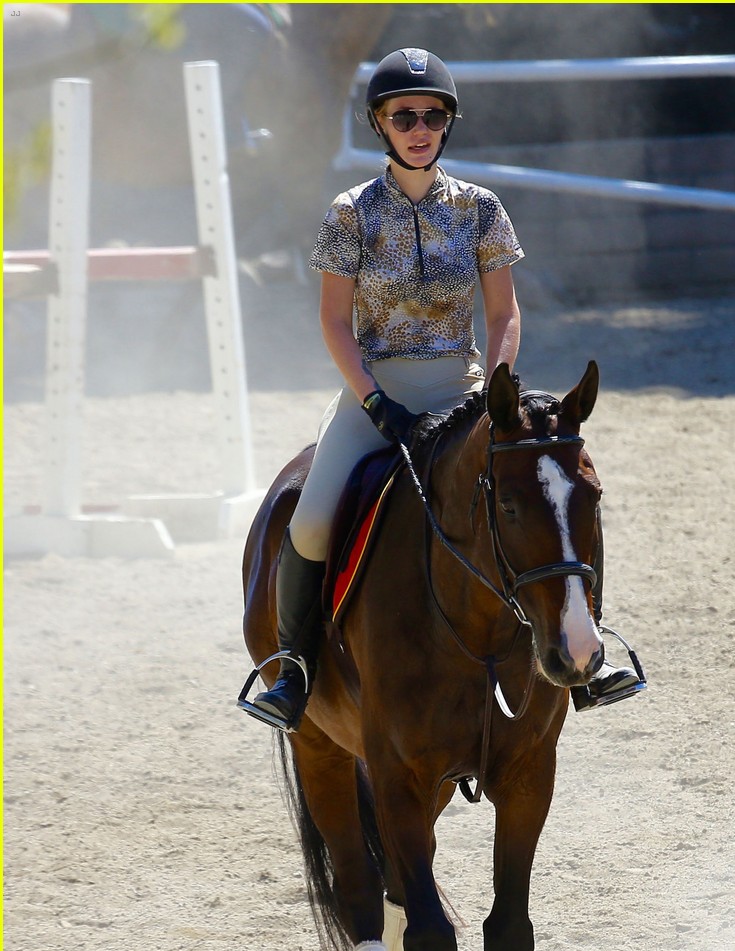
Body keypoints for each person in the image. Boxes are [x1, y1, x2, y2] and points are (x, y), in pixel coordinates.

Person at [246, 47, 642, 731]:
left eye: (432, 114)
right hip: (376, 395)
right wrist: (374, 402)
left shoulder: (481, 208)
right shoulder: (351, 213)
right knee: (309, 519)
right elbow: (333, 324)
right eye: (404, 115)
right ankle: (296, 669)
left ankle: (585, 658)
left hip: (465, 391)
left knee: (549, 495)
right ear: (379, 123)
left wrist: (499, 387)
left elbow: (502, 313)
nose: (419, 126)